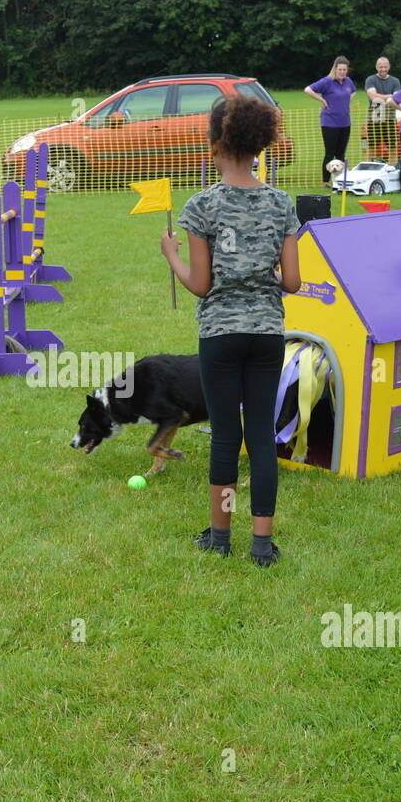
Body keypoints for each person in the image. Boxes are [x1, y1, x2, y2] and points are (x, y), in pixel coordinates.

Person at [160, 95, 302, 567]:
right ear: (261, 143)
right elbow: (294, 282)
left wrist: (172, 255)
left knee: (225, 435)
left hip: (220, 334)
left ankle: (220, 537)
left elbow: (200, 285)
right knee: (261, 434)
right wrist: (263, 280)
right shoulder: (281, 204)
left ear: (215, 143)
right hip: (266, 334)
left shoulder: (202, 206)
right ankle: (262, 543)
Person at [304, 56, 356, 185]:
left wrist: (347, 101)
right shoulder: (327, 81)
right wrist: (322, 100)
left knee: (341, 153)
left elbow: (353, 91)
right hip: (329, 123)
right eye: (340, 69)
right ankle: (326, 181)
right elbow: (308, 89)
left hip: (345, 123)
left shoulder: (348, 81)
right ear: (335, 69)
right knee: (330, 152)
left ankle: (340, 181)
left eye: (344, 70)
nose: (342, 72)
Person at [364, 56, 401, 162]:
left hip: (390, 118)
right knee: (371, 146)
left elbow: (396, 99)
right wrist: (389, 96)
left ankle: (392, 168)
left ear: (389, 67)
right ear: (376, 67)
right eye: (380, 67)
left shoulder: (395, 81)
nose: (383, 69)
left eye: (385, 67)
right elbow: (373, 97)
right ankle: (368, 166)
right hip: (374, 118)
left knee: (392, 146)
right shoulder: (370, 79)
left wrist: (379, 96)